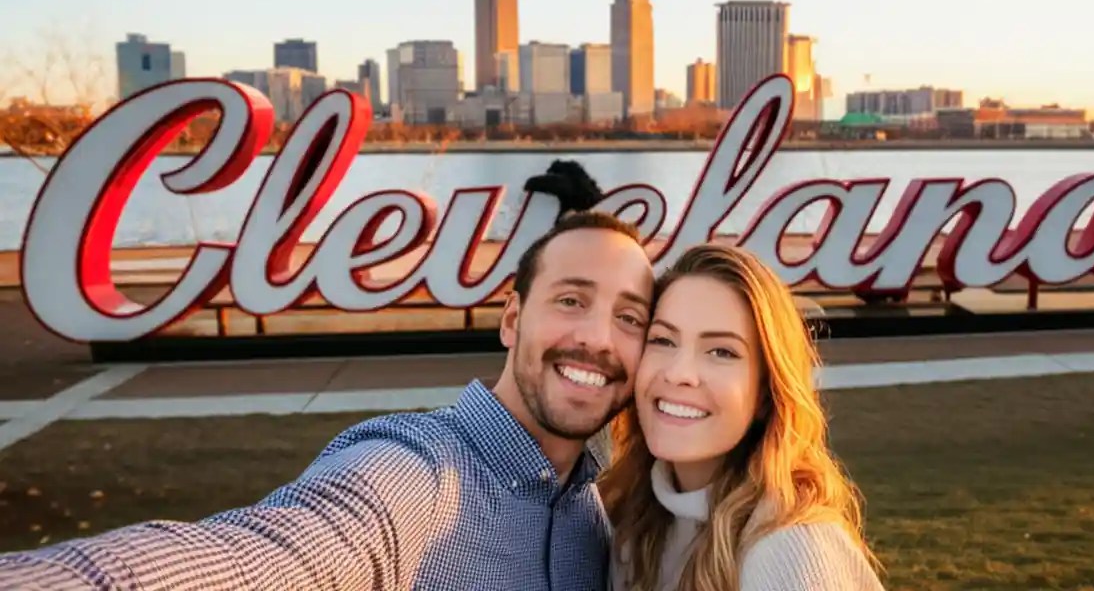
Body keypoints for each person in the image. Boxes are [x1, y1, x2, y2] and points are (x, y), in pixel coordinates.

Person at [0, 210, 655, 590]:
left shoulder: (595, 510)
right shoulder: (412, 474)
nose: (597, 338)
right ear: (511, 320)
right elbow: (266, 558)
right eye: (570, 300)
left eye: (629, 317)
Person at [599, 244, 885, 591]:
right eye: (663, 340)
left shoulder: (788, 551)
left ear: (766, 394)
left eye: (722, 351)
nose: (679, 373)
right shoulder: (633, 520)